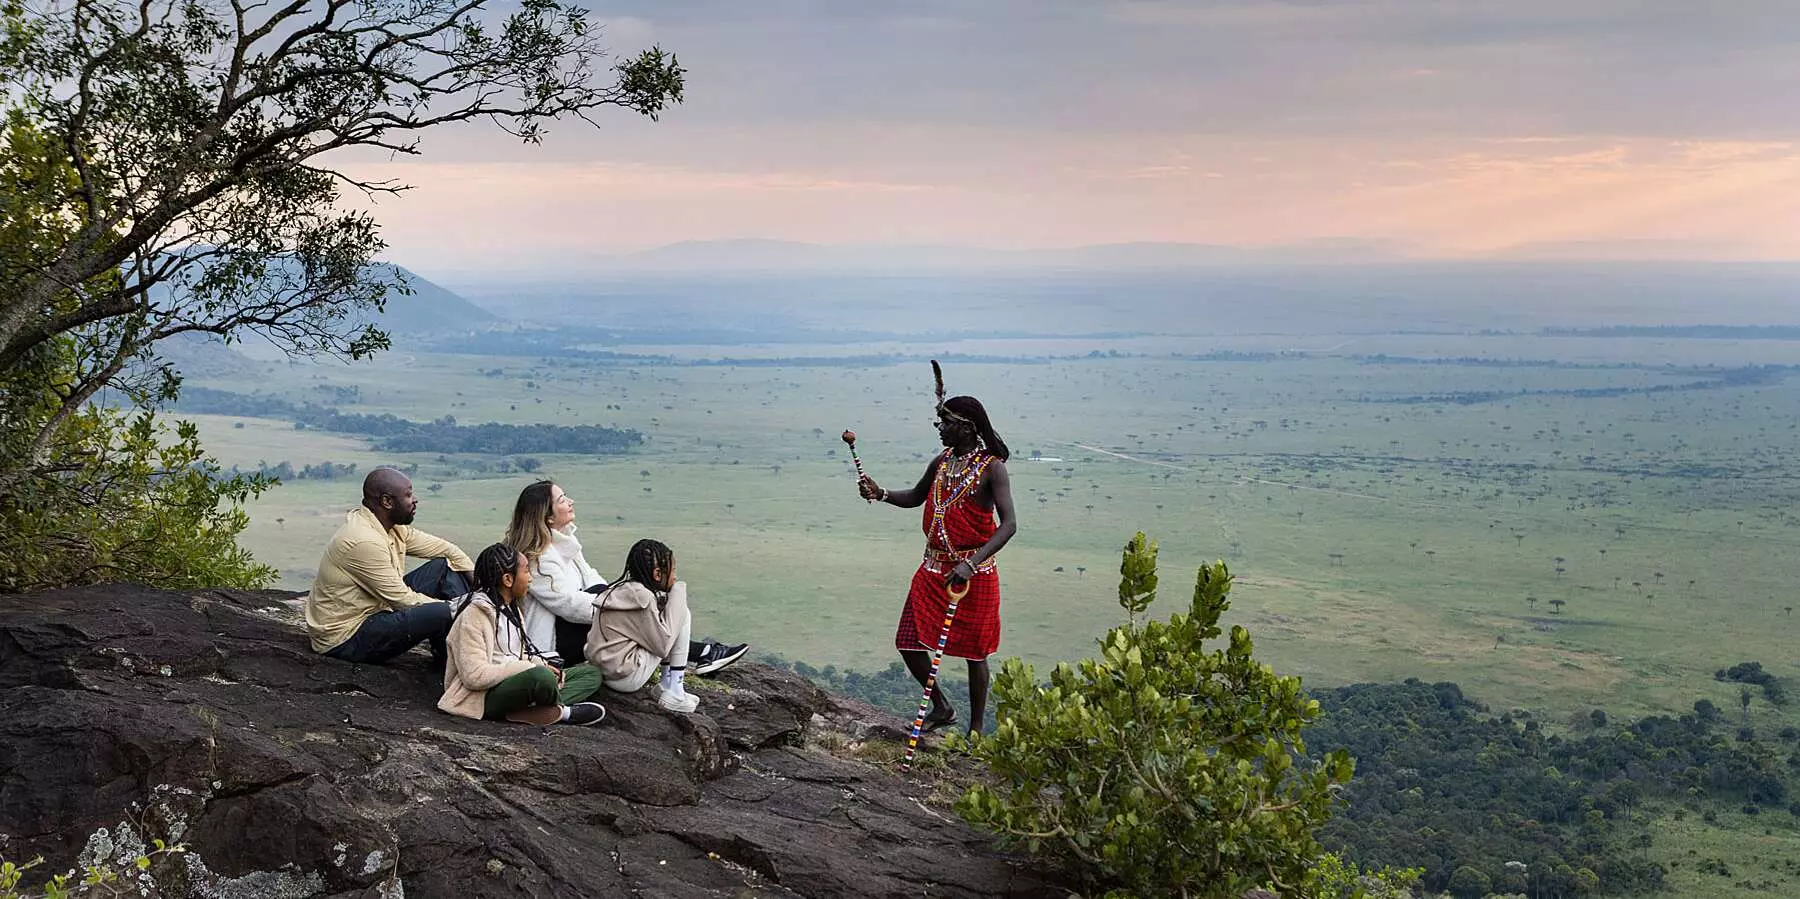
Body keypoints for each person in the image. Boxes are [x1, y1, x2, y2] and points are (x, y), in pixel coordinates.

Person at [856, 394, 1017, 734]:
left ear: (968, 428)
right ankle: (942, 707)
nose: (940, 429)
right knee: (908, 642)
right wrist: (880, 492)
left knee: (976, 655)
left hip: (974, 574)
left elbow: (1009, 525)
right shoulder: (942, 462)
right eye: (939, 423)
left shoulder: (992, 468)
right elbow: (916, 497)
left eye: (946, 424)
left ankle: (975, 732)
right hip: (933, 569)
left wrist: (971, 564)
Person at [506, 480, 748, 675]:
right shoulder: (538, 557)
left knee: (631, 600)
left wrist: (617, 599)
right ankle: (700, 655)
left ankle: (700, 654)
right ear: (548, 517)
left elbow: (592, 579)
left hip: (576, 624)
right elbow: (567, 605)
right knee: (635, 613)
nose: (571, 502)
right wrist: (618, 607)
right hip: (556, 642)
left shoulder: (563, 542)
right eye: (562, 500)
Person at [306, 467, 474, 664]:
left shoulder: (391, 528)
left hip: (376, 612)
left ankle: (450, 652)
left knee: (443, 569)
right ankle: (461, 659)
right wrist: (467, 608)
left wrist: (479, 587)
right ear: (387, 501)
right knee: (444, 611)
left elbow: (449, 551)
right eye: (408, 495)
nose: (415, 500)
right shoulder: (364, 541)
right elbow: (403, 600)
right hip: (347, 638)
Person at [439, 543, 607, 726]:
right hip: (481, 697)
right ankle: (563, 712)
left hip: (516, 682)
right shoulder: (473, 616)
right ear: (508, 580)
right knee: (540, 678)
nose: (530, 578)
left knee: (590, 674)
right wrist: (529, 668)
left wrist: (537, 663)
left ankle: (532, 711)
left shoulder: (511, 610)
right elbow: (474, 677)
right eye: (526, 571)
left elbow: (515, 655)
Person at [585, 538, 707, 713]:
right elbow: (662, 645)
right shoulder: (641, 598)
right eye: (673, 571)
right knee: (682, 613)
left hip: (604, 670)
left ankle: (666, 684)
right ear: (657, 574)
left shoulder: (620, 590)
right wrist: (678, 590)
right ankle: (675, 689)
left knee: (671, 612)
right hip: (625, 677)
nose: (675, 576)